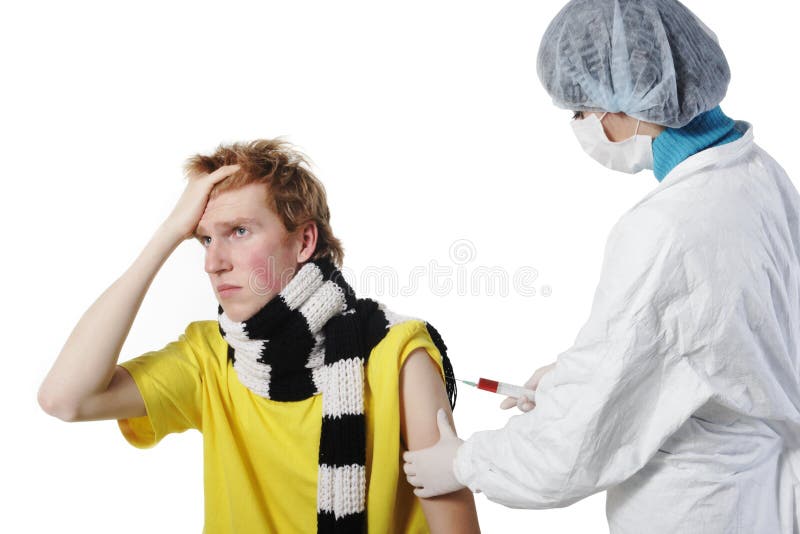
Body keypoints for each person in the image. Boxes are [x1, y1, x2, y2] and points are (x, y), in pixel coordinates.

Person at [402, 1, 800, 532]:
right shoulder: (757, 172)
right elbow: (702, 343)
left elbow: (580, 439)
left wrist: (464, 462)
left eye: (580, 111)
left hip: (699, 506)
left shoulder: (666, 229)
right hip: (764, 491)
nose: (581, 126)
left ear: (629, 101)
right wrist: (569, 377)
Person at [38, 139, 481, 533]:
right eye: (205, 240)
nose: (214, 263)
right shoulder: (211, 357)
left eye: (239, 231)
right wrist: (170, 231)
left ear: (304, 241)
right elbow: (64, 398)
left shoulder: (397, 355)